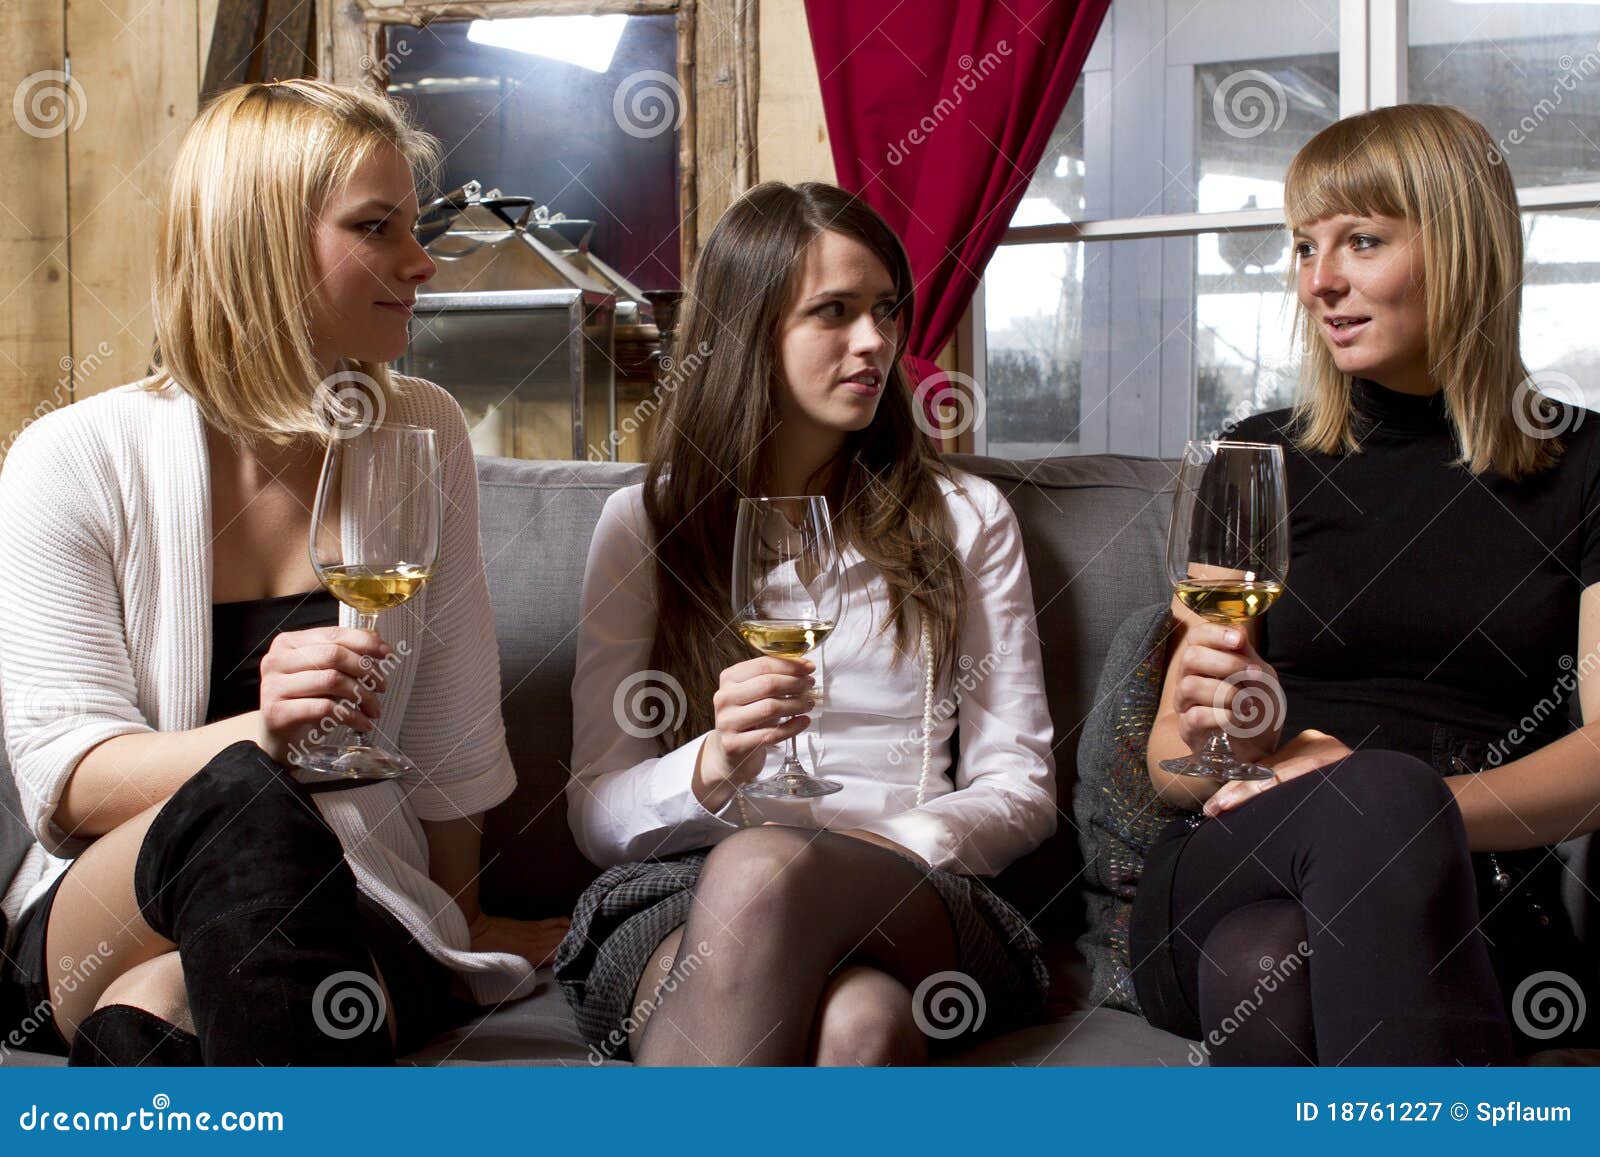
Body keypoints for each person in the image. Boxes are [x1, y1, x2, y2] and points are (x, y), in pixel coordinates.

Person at [0, 79, 568, 1066]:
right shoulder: (71, 457)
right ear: (261, 246)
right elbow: (66, 775)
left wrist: (463, 917)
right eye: (377, 228)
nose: (421, 261)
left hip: (352, 904)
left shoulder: (418, 429)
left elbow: (451, 732)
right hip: (107, 898)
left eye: (412, 226)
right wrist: (261, 734)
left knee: (161, 1000)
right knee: (240, 796)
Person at [1132, 102, 1600, 1065]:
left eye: (1362, 241)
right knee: (1288, 901)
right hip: (1235, 857)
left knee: (1271, 971)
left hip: (1474, 886)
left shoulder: (1587, 464)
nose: (1320, 282)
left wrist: (1402, 801)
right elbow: (1174, 764)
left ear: (1463, 247)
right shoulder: (1258, 459)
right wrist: (1221, 735)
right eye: (1305, 247)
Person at [555, 181, 1057, 1065]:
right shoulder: (645, 526)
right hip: (686, 890)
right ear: (748, 333)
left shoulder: (965, 517)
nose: (877, 342)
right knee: (857, 1026)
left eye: (885, 312)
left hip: (914, 889)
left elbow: (1020, 783)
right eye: (834, 312)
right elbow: (596, 809)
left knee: (768, 866)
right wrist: (712, 763)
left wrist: (877, 846)